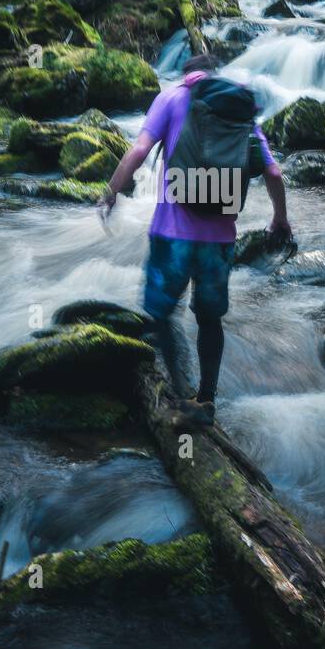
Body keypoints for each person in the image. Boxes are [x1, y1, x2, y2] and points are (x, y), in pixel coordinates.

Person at [98, 53, 292, 425]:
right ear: (212, 76)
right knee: (209, 319)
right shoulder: (237, 110)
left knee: (160, 312)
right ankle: (206, 399)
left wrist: (111, 192)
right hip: (219, 239)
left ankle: (177, 389)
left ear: (187, 74)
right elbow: (272, 170)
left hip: (172, 236)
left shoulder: (170, 98)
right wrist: (279, 219)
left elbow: (139, 150)